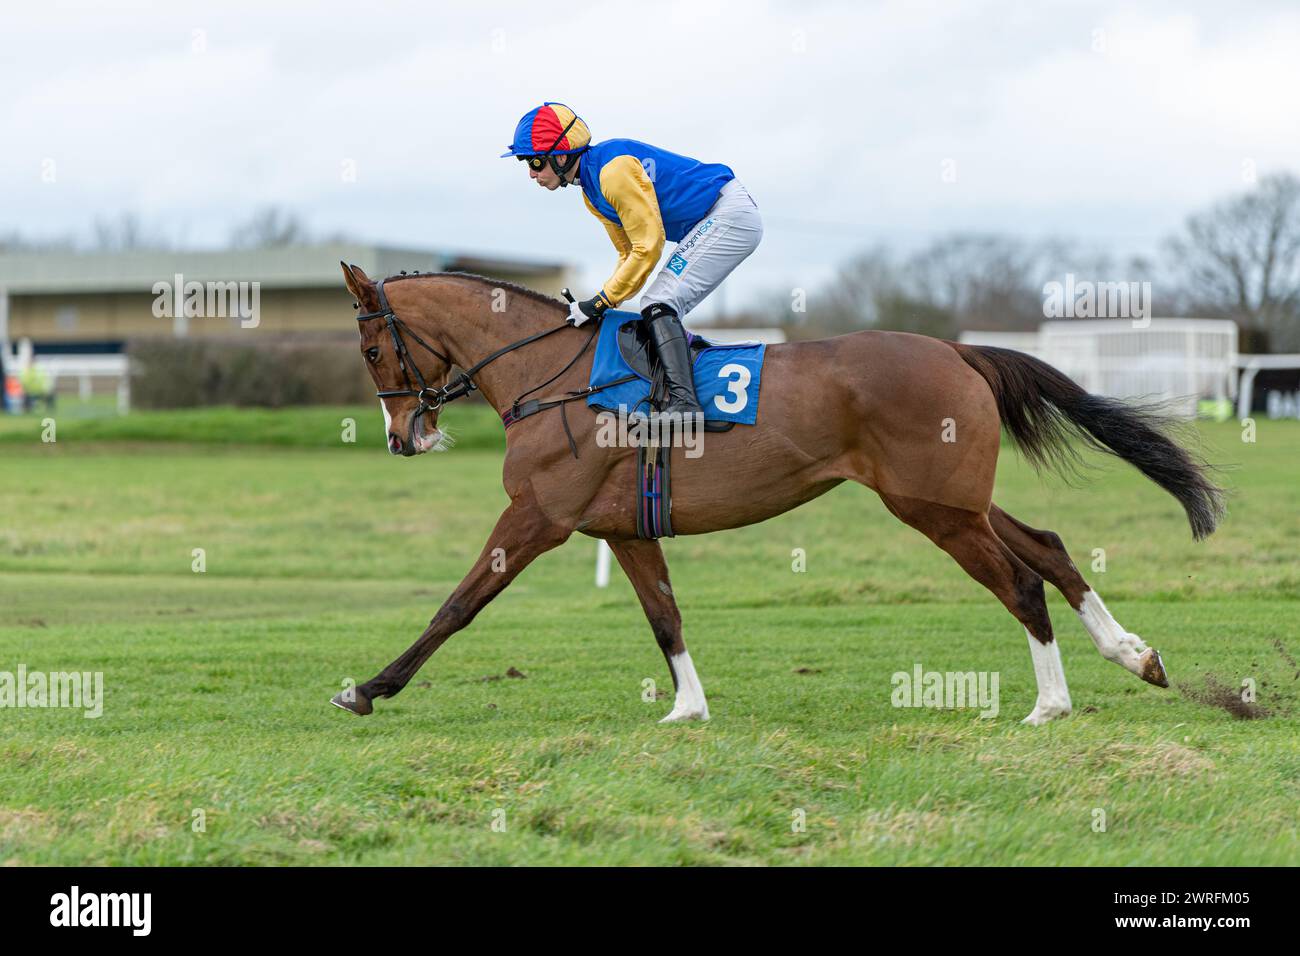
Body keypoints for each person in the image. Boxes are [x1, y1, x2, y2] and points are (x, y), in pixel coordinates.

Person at [502, 102, 762, 417]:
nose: (531, 173)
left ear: (560, 156)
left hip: (728, 214)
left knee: (660, 302)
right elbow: (627, 254)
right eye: (525, 163)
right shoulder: (591, 192)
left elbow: (648, 246)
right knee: (657, 303)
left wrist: (599, 302)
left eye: (534, 161)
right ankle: (681, 393)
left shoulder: (612, 173)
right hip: (715, 217)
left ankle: (686, 404)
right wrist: (601, 302)